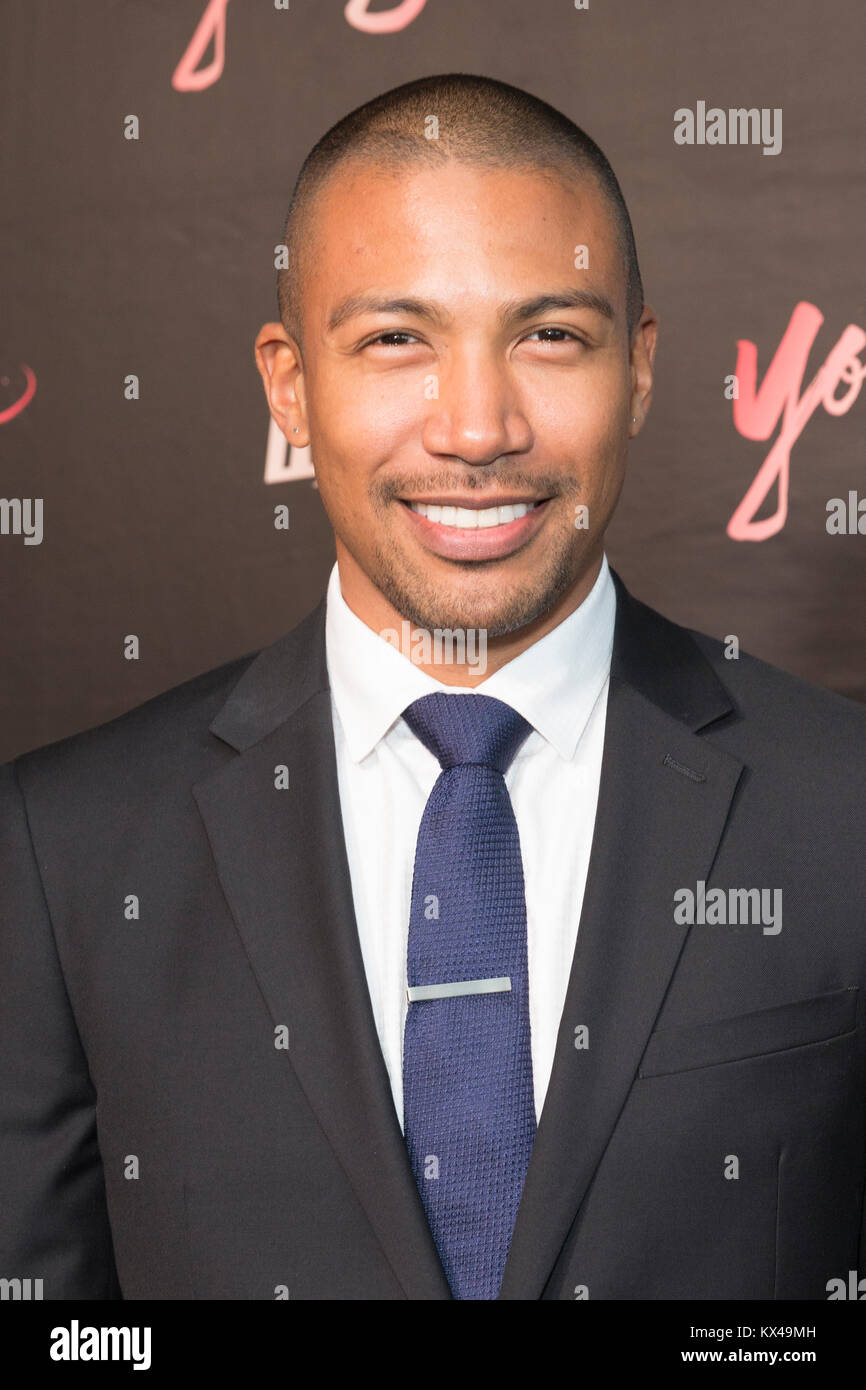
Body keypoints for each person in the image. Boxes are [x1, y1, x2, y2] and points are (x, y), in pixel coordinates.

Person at [1, 72, 864, 1302]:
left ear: (638, 367)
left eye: (549, 335)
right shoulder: (64, 851)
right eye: (396, 340)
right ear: (290, 385)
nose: (473, 428)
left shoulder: (841, 808)